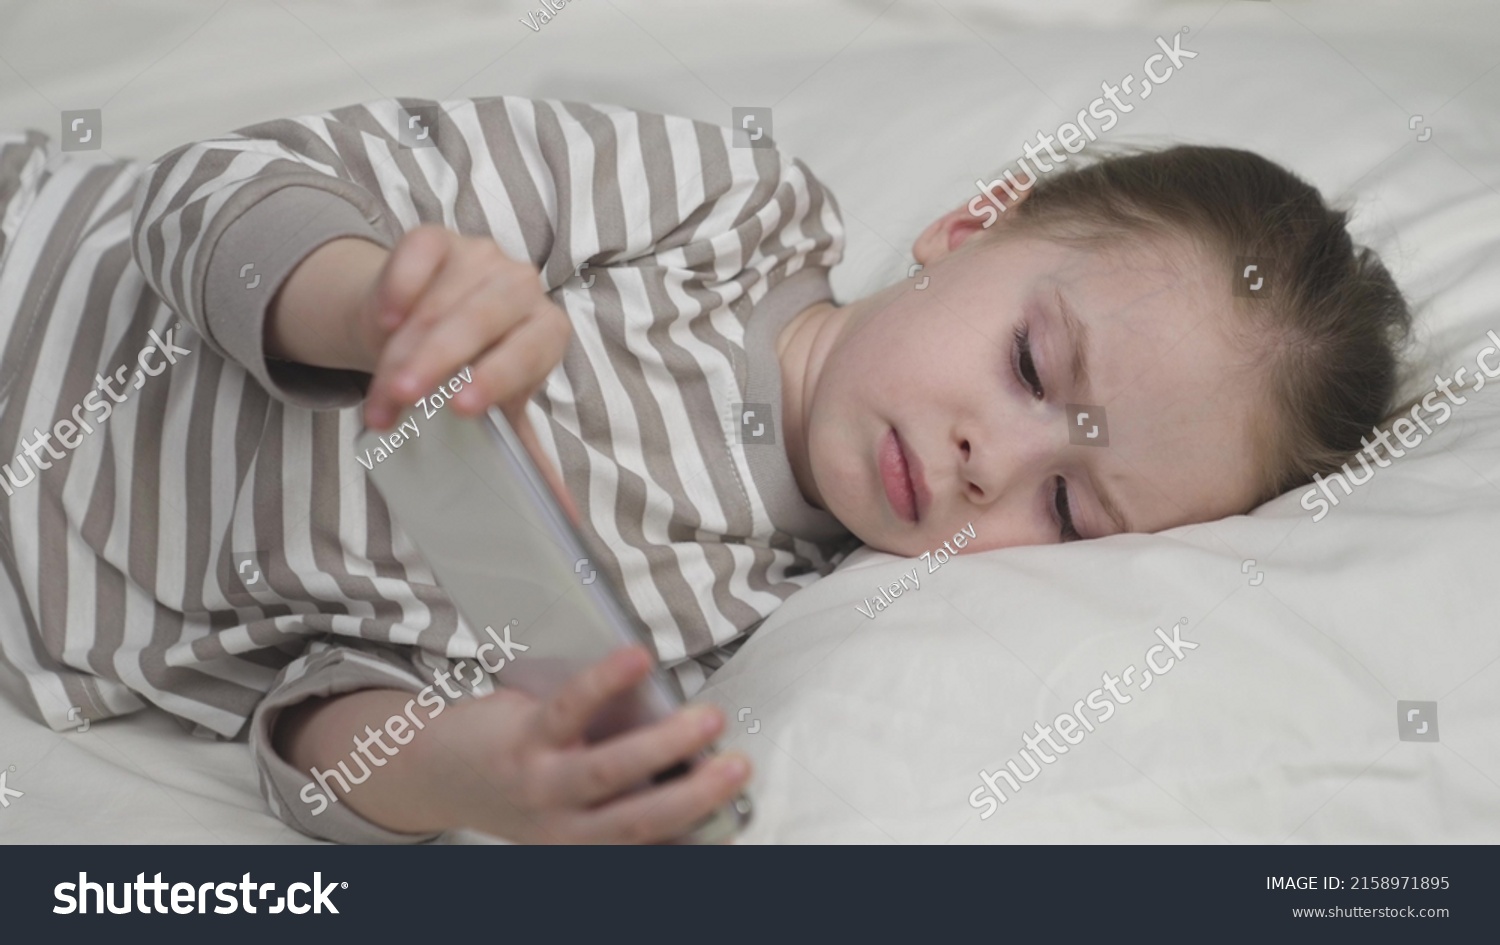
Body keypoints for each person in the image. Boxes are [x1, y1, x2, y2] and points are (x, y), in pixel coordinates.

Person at [0, 95, 1410, 843]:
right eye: (1036, 368)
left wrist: (469, 777)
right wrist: (381, 303)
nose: (998, 459)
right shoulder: (713, 214)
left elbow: (311, 723)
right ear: (978, 221)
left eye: (1067, 506)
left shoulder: (726, 620)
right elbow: (220, 194)